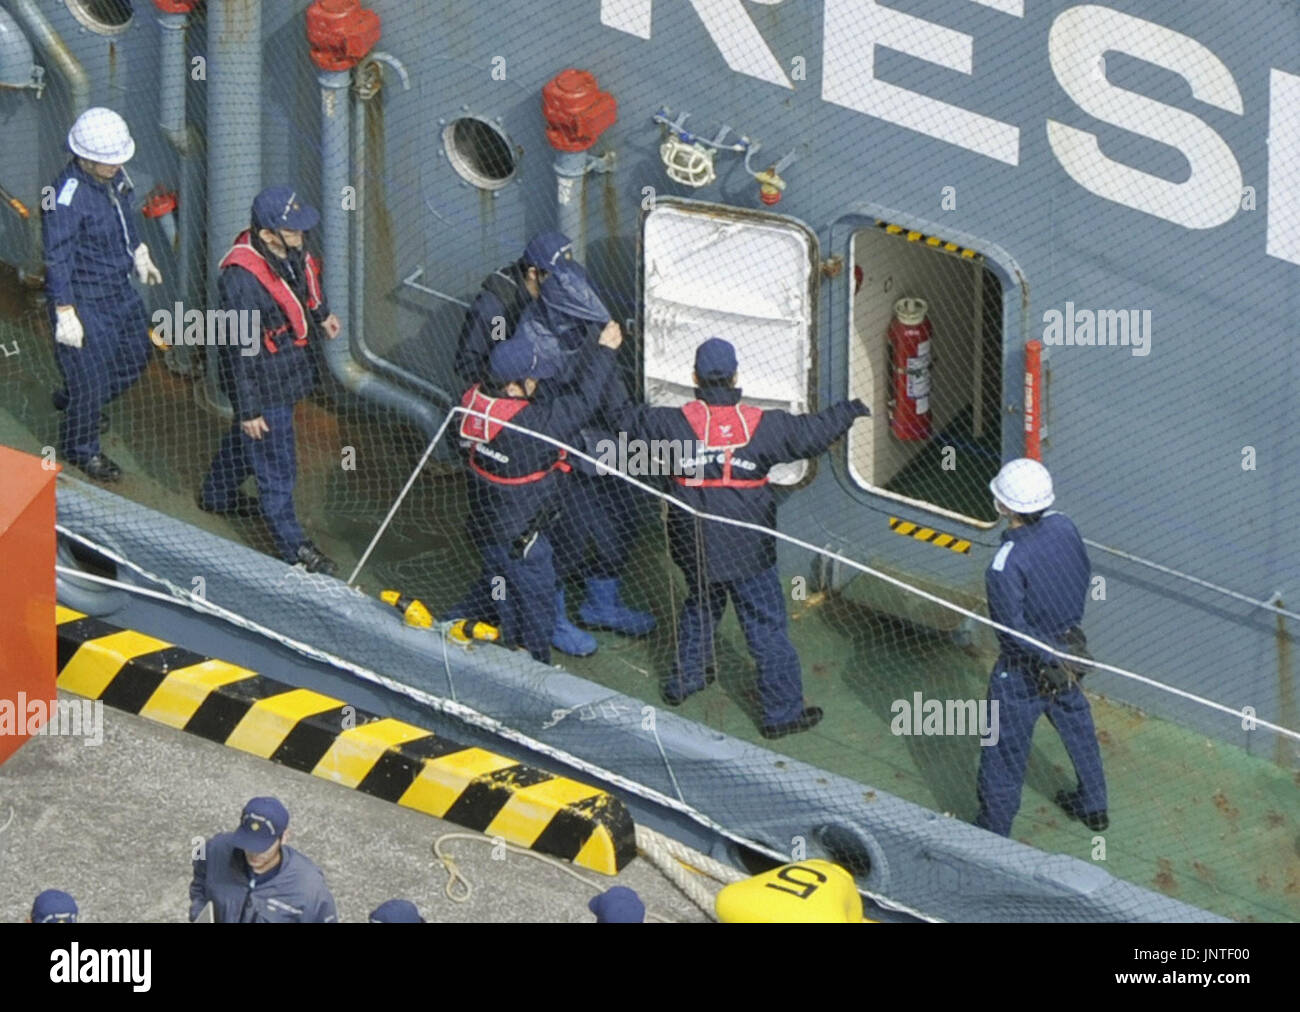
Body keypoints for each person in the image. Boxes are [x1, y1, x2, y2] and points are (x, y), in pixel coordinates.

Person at [617, 338, 870, 739]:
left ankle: (685, 680)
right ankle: (781, 714)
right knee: (766, 627)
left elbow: (624, 418)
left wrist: (605, 352)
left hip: (693, 545)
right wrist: (850, 409)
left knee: (700, 607)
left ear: (695, 377)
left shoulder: (670, 424)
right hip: (749, 552)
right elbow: (814, 433)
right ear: (735, 376)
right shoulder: (764, 426)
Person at [456, 323, 622, 664]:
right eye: (532, 377)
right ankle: (534, 664)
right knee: (537, 604)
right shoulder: (533, 427)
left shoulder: (469, 405)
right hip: (525, 542)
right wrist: (605, 350)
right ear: (514, 386)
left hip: (486, 526)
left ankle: (502, 636)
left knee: (501, 587)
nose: (537, 382)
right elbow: (583, 402)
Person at [197, 186, 341, 575]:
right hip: (263, 383)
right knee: (278, 466)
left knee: (250, 441)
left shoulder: (289, 252)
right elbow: (239, 351)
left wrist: (322, 313)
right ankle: (295, 548)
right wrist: (248, 409)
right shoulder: (240, 282)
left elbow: (304, 285)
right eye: (291, 232)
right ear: (266, 235)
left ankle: (216, 494)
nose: (300, 237)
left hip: (288, 368)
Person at [975, 458, 1108, 837]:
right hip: (1069, 650)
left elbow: (1010, 629)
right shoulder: (1066, 526)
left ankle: (993, 831)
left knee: (1003, 749)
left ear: (1003, 506)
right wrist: (1060, 654)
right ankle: (1094, 805)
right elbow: (1082, 571)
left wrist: (1043, 653)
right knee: (1078, 727)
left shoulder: (1005, 565)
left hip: (1022, 669)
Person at [42, 107, 163, 482]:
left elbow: (126, 218)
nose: (116, 166)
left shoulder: (114, 177)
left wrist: (138, 251)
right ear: (84, 157)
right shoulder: (67, 198)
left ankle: (80, 402)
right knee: (91, 377)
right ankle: (83, 448)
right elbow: (56, 258)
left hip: (118, 289)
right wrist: (65, 311)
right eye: (107, 161)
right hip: (85, 300)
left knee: (136, 353)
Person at [188, 796, 337, 923]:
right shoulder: (215, 849)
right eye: (248, 843)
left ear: (284, 837)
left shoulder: (309, 888)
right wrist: (198, 914)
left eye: (263, 846)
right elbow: (199, 884)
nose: (254, 853)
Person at [454, 231, 574, 388]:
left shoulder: (548, 293)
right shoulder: (498, 310)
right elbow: (468, 363)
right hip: (509, 388)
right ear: (533, 273)